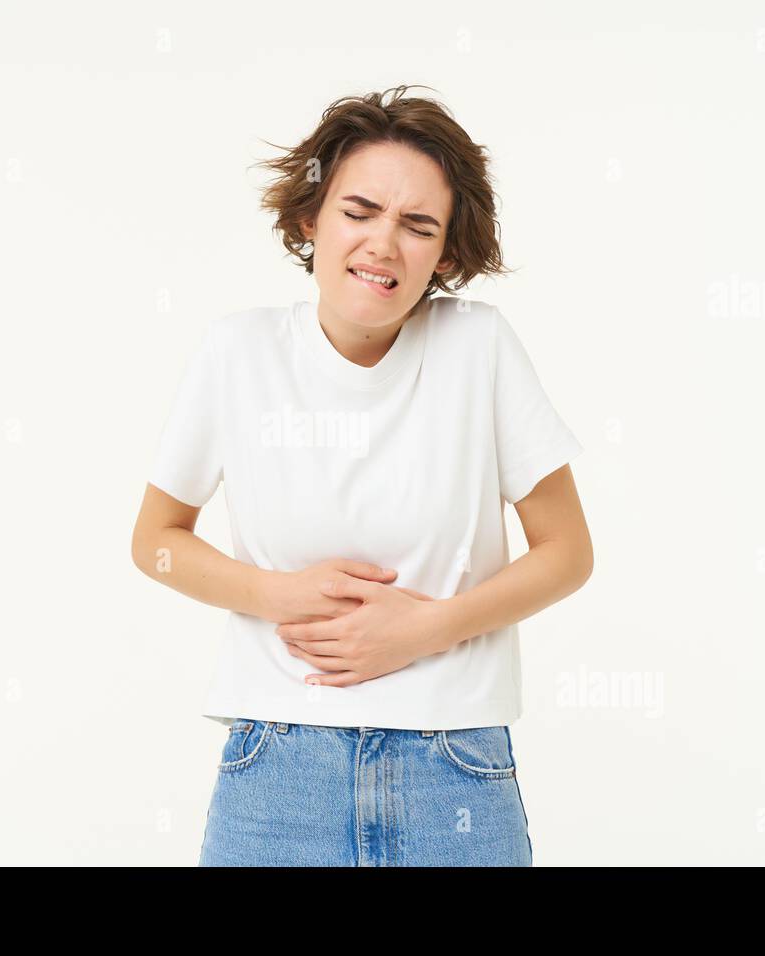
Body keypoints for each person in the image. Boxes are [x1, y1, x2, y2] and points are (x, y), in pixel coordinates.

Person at [130, 85, 593, 866]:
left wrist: (426, 629)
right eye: (359, 211)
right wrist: (281, 594)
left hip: (455, 768)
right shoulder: (236, 353)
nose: (383, 244)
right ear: (311, 219)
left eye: (418, 226)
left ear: (445, 254)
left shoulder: (478, 348)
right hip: (277, 771)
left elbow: (568, 553)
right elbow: (156, 541)